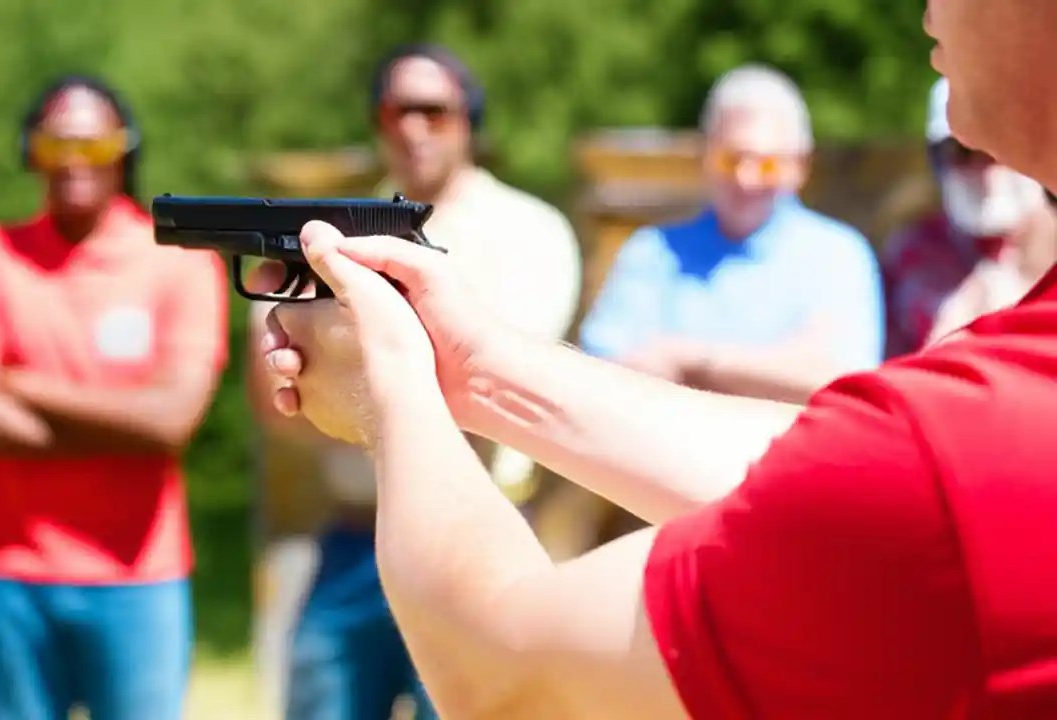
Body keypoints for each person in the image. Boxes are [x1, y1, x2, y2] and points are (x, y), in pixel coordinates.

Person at [255, 0, 1057, 714]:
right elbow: (836, 464)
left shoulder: (981, 431)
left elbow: (505, 674)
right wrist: (477, 366)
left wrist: (393, 385)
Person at [248, 44, 582, 720]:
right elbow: (276, 406)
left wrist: (341, 372)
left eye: (433, 109)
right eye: (394, 110)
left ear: (469, 119)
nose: (412, 127)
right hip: (353, 535)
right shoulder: (332, 228)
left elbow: (483, 388)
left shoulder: (530, 230)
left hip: (473, 534)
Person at [0, 75, 230, 720]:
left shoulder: (179, 260)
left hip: (138, 578)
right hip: (13, 573)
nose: (73, 162)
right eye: (55, 144)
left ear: (125, 150)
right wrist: (124, 419)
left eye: (93, 146)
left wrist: (20, 385)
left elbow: (170, 423)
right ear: (29, 151)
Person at [580, 63, 885, 405]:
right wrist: (780, 368)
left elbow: (844, 384)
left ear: (800, 166)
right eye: (731, 159)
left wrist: (690, 359)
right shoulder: (650, 250)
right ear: (705, 156)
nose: (747, 178)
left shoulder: (839, 254)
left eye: (767, 164)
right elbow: (601, 377)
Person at [883, 76, 1055, 356]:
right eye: (962, 152)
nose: (986, 171)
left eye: (1002, 149)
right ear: (936, 159)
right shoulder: (912, 252)